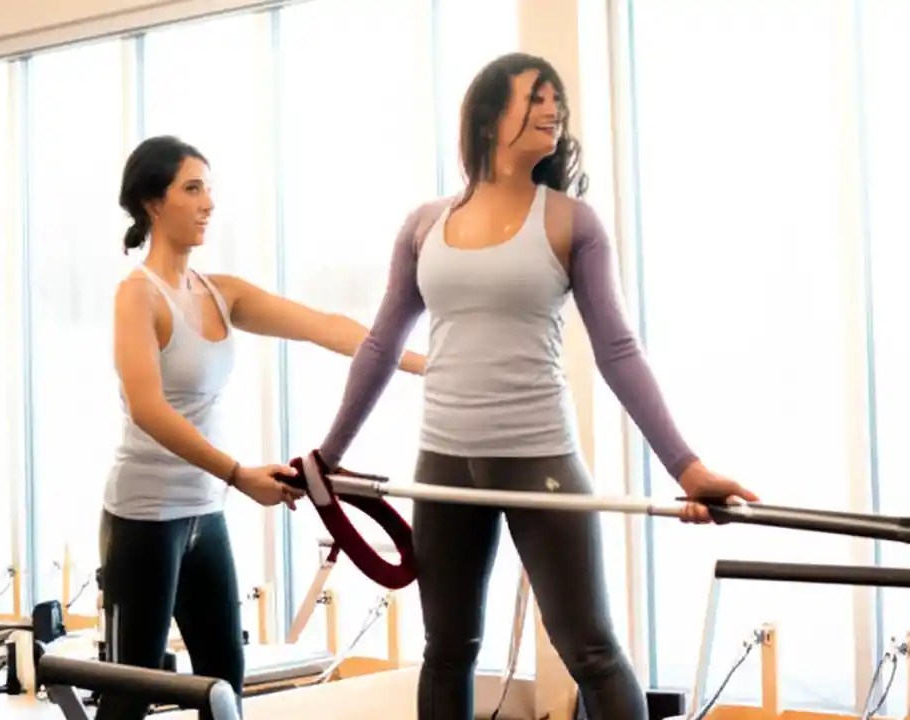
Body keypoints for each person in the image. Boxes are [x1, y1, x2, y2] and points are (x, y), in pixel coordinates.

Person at [294, 53, 760, 720]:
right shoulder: (425, 225)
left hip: (539, 454)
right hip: (445, 459)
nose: (553, 110)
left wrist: (688, 467)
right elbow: (380, 344)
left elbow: (619, 351)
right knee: (447, 649)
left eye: (557, 100)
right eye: (536, 97)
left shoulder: (571, 221)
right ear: (489, 117)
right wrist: (327, 457)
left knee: (590, 651)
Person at [99, 135, 425, 719]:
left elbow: (324, 326)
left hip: (204, 517)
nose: (208, 203)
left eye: (209, 189)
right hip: (144, 518)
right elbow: (149, 410)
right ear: (153, 203)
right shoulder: (136, 297)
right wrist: (238, 474)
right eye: (192, 188)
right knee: (130, 696)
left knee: (225, 683)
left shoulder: (219, 293)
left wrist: (424, 364)